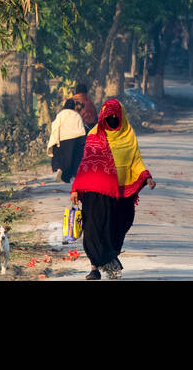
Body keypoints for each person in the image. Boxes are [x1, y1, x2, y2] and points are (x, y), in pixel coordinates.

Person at [70, 98, 155, 279]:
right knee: (93, 228)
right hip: (94, 190)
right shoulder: (94, 134)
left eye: (115, 117)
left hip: (120, 192)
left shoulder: (128, 135)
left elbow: (136, 161)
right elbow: (85, 163)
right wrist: (76, 188)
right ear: (102, 117)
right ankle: (94, 268)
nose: (112, 121)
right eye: (108, 118)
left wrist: (146, 177)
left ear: (121, 116)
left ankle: (110, 257)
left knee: (117, 226)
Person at [47, 98, 87, 183]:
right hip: (75, 140)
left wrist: (55, 140)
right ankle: (71, 176)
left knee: (61, 158)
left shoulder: (61, 114)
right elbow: (81, 130)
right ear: (73, 106)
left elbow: (55, 127)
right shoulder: (76, 115)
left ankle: (59, 170)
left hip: (62, 140)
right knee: (74, 158)